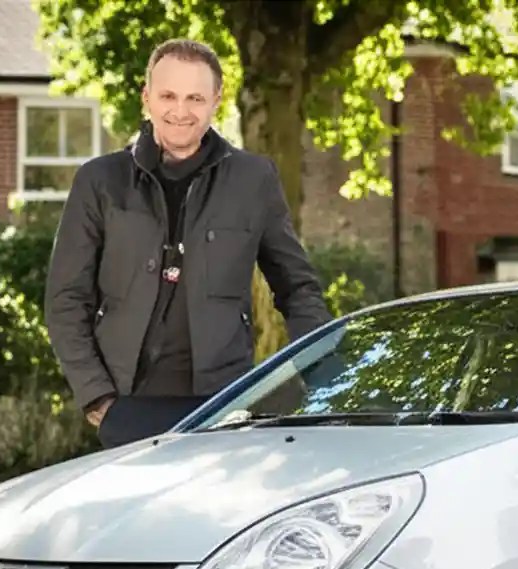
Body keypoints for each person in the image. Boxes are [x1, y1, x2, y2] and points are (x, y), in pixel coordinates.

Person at [44, 38, 333, 448]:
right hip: (126, 405)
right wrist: (96, 396)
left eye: (195, 97)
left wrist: (323, 378)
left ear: (217, 99)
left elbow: (297, 287)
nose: (181, 111)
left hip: (223, 404)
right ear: (147, 98)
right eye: (168, 96)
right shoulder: (99, 181)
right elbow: (66, 298)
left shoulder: (254, 180)